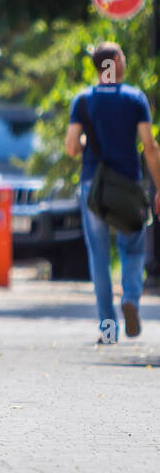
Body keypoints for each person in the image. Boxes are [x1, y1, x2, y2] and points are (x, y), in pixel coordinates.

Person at [64, 42, 160, 343]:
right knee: (132, 249)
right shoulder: (135, 99)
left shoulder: (83, 100)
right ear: (117, 61)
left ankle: (108, 328)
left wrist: (82, 144)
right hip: (129, 187)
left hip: (95, 187)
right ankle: (130, 298)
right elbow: (150, 147)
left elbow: (71, 147)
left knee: (99, 258)